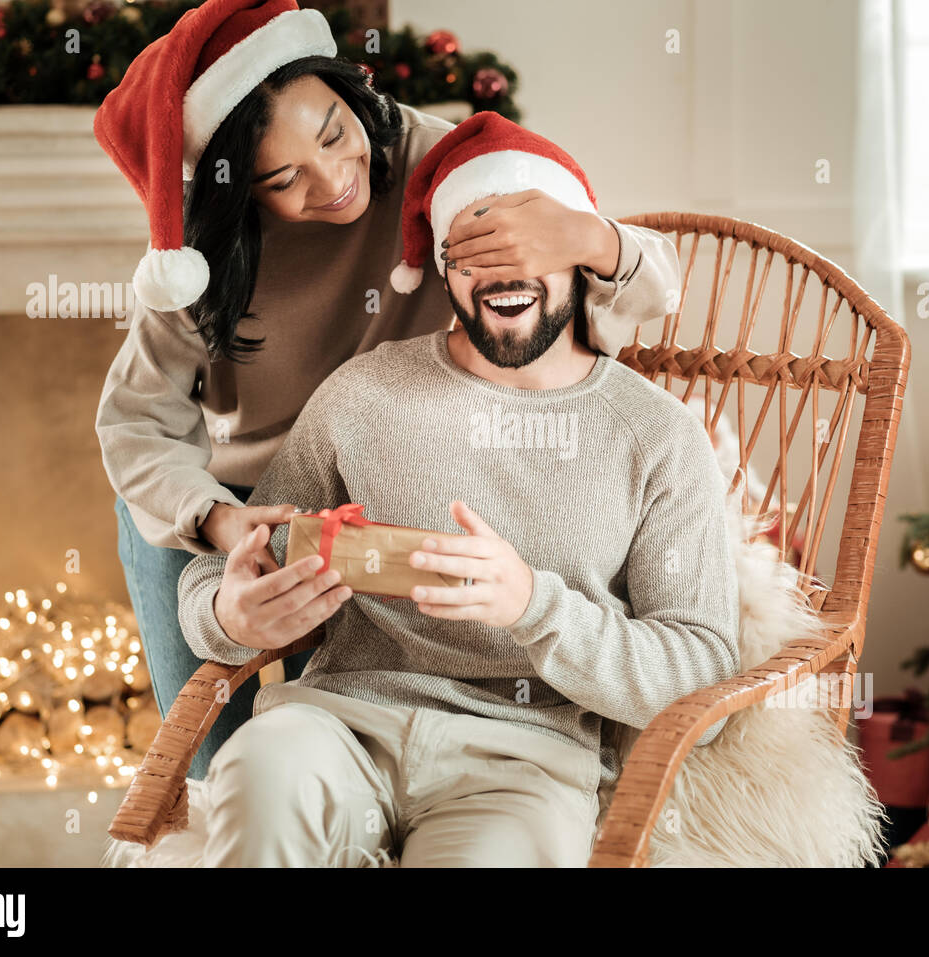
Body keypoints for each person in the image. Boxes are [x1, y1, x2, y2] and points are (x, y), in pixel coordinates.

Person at [92, 0, 683, 778]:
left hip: (397, 490)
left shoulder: (440, 161)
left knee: (345, 740)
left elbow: (644, 296)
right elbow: (137, 423)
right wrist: (217, 522)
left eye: (336, 134)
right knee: (213, 771)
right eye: (283, 177)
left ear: (351, 93)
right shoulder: (201, 252)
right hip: (248, 509)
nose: (335, 180)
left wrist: (586, 235)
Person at [176, 114, 740, 867]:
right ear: (441, 270)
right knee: (257, 772)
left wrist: (533, 606)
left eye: (525, 250)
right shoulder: (364, 394)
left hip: (525, 764)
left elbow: (703, 675)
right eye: (471, 256)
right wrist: (230, 611)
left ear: (580, 257)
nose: (502, 278)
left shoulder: (658, 436)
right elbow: (228, 567)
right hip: (337, 727)